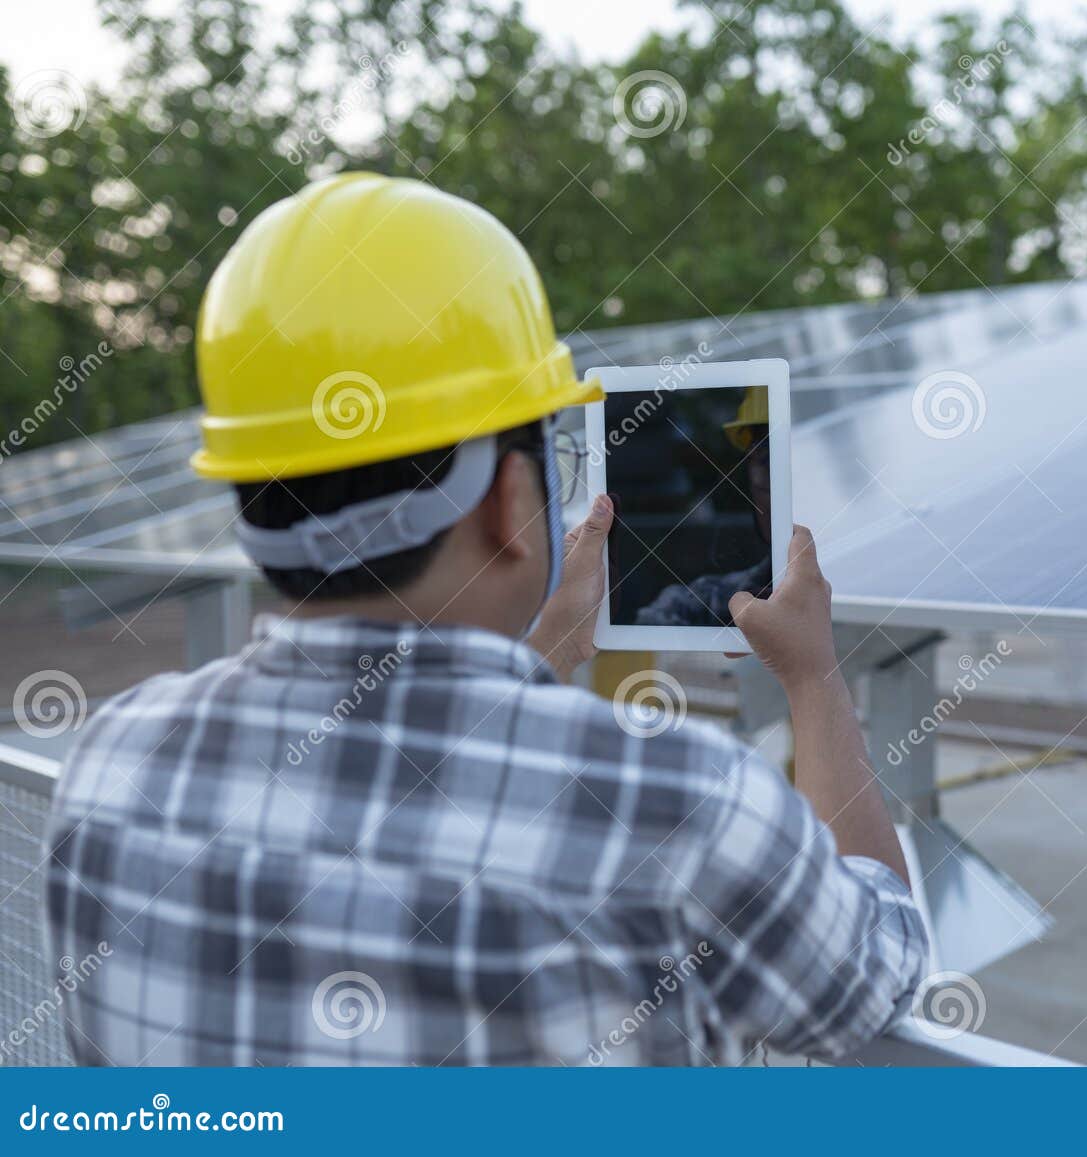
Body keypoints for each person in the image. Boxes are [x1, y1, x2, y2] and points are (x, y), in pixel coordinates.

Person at [44, 174, 927, 1066]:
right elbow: (875, 973)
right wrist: (813, 676)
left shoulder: (114, 765)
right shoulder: (679, 805)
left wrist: (542, 656)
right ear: (509, 498)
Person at [637, 386, 773, 627]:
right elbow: (658, 618)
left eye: (775, 457)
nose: (767, 477)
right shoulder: (702, 603)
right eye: (762, 458)